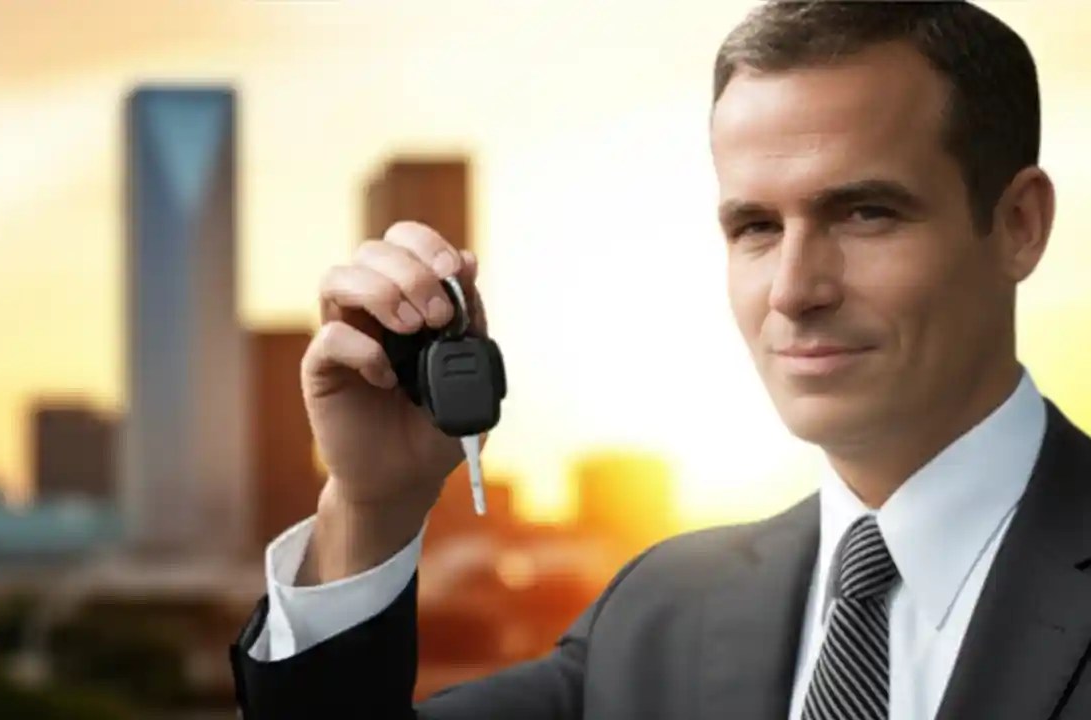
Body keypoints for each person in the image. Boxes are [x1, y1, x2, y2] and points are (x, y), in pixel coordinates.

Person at [230, 2, 1091, 718]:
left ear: (1018, 225)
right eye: (755, 227)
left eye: (867, 213)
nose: (794, 289)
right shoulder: (659, 618)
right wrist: (370, 509)